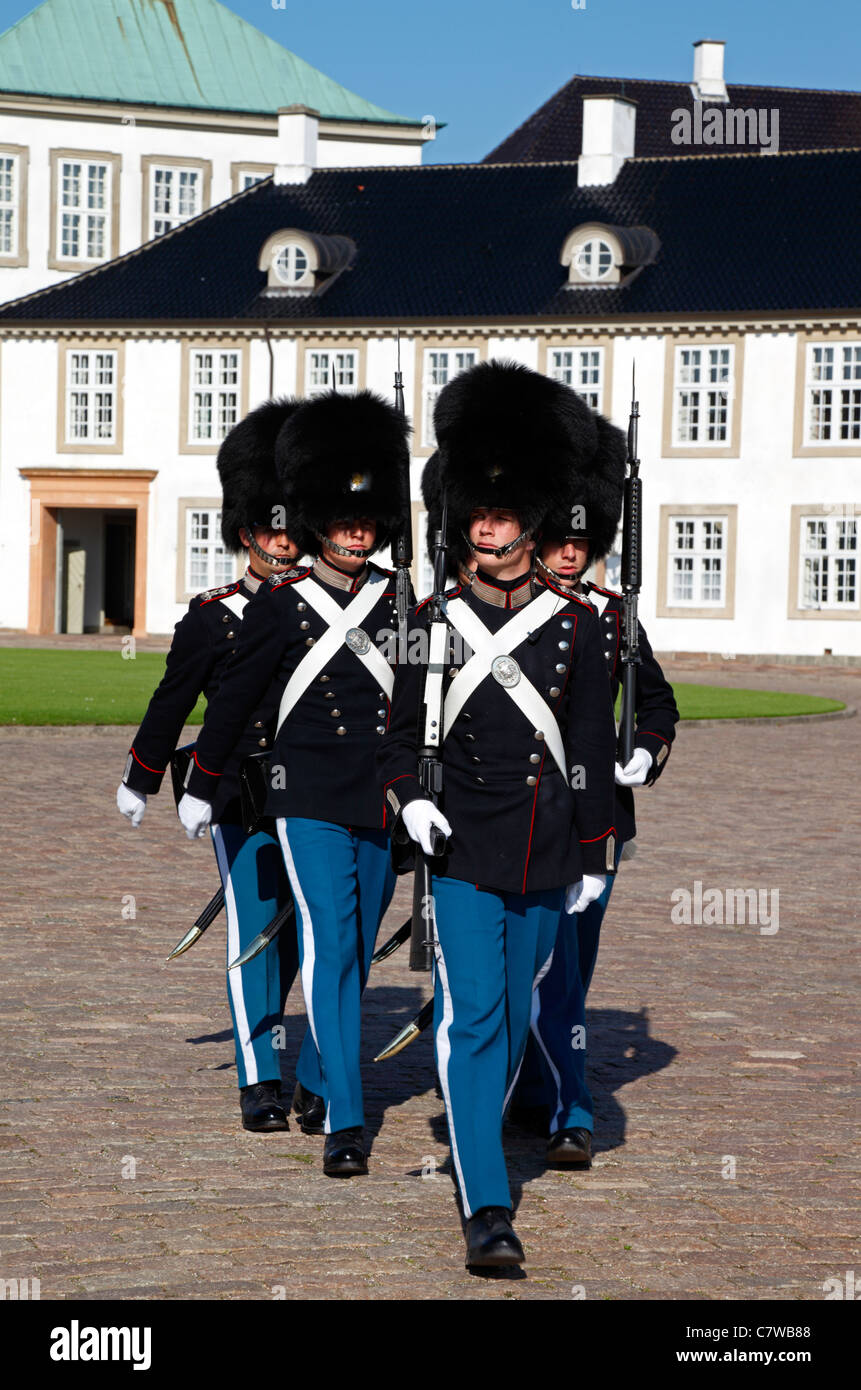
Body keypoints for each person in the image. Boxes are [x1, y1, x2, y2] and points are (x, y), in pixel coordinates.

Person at [376, 360, 621, 1269]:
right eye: (477, 510)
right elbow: (396, 740)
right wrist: (411, 806)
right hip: (466, 844)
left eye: (503, 509)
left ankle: (484, 1139)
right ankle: (484, 1204)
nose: (488, 523)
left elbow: (590, 744)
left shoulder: (579, 625)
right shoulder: (426, 620)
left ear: (530, 517)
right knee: (474, 1015)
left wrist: (594, 848)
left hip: (550, 850)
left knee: (514, 1013)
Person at [175, 389, 412, 1178]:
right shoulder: (280, 605)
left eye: (368, 519)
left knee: (357, 953)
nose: (355, 530)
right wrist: (201, 783)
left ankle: (316, 1074)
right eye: (343, 519)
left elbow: (427, 699)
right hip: (306, 799)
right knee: (330, 942)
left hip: (381, 802)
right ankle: (347, 1118)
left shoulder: (405, 600)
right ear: (313, 519)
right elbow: (235, 700)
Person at [117, 398, 323, 1134]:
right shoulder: (213, 615)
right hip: (236, 791)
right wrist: (143, 775)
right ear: (247, 534)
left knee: (306, 933)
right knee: (250, 929)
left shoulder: (321, 611)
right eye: (272, 529)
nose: (285, 541)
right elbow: (173, 699)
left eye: (294, 528)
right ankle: (259, 1076)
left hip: (315, 794)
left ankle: (299, 1052)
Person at [511, 461, 680, 1166]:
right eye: (558, 539)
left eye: (581, 542)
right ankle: (526, 1087)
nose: (571, 552)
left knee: (568, 972)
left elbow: (656, 704)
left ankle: (570, 1109)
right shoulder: (499, 611)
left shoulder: (614, 617)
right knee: (517, 968)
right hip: (510, 818)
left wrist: (643, 751)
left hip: (594, 818)